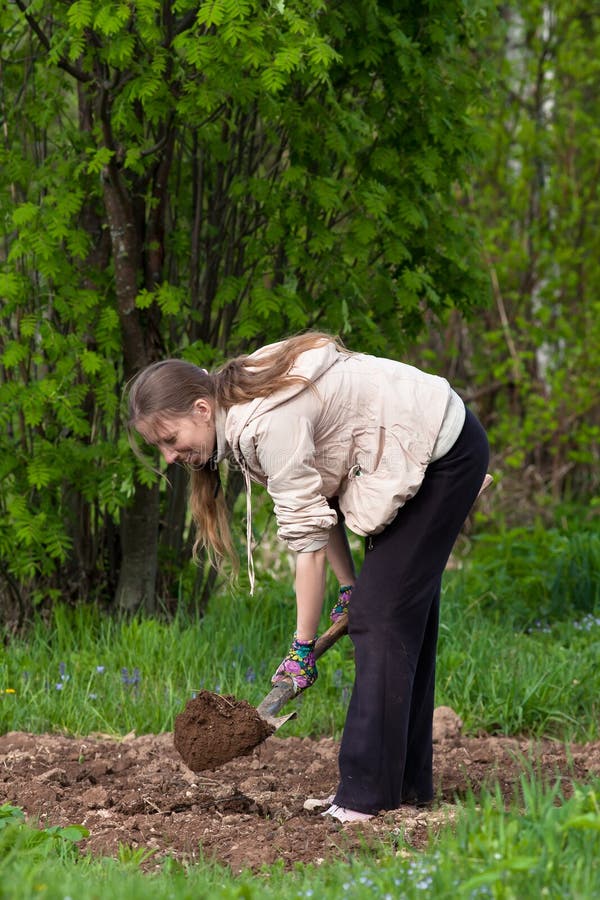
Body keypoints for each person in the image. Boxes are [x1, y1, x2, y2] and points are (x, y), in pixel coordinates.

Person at [126, 332, 490, 823]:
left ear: (200, 409)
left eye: (170, 440)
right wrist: (349, 586)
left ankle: (366, 797)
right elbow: (321, 505)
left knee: (380, 619)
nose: (170, 457)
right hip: (410, 449)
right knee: (389, 613)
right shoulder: (241, 411)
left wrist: (301, 649)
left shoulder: (263, 423)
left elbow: (307, 546)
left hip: (439, 452)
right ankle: (404, 787)